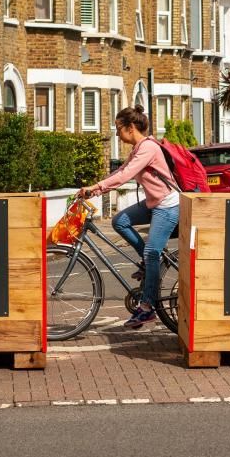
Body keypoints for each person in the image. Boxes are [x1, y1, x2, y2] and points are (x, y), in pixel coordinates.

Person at [78, 106, 179, 328]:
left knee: (152, 252)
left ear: (130, 127)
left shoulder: (148, 148)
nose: (116, 133)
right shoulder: (139, 148)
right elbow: (121, 170)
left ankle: (147, 308)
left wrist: (96, 187)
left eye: (118, 128)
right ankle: (148, 263)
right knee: (120, 221)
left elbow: (125, 175)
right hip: (154, 203)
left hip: (167, 205)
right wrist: (96, 189)